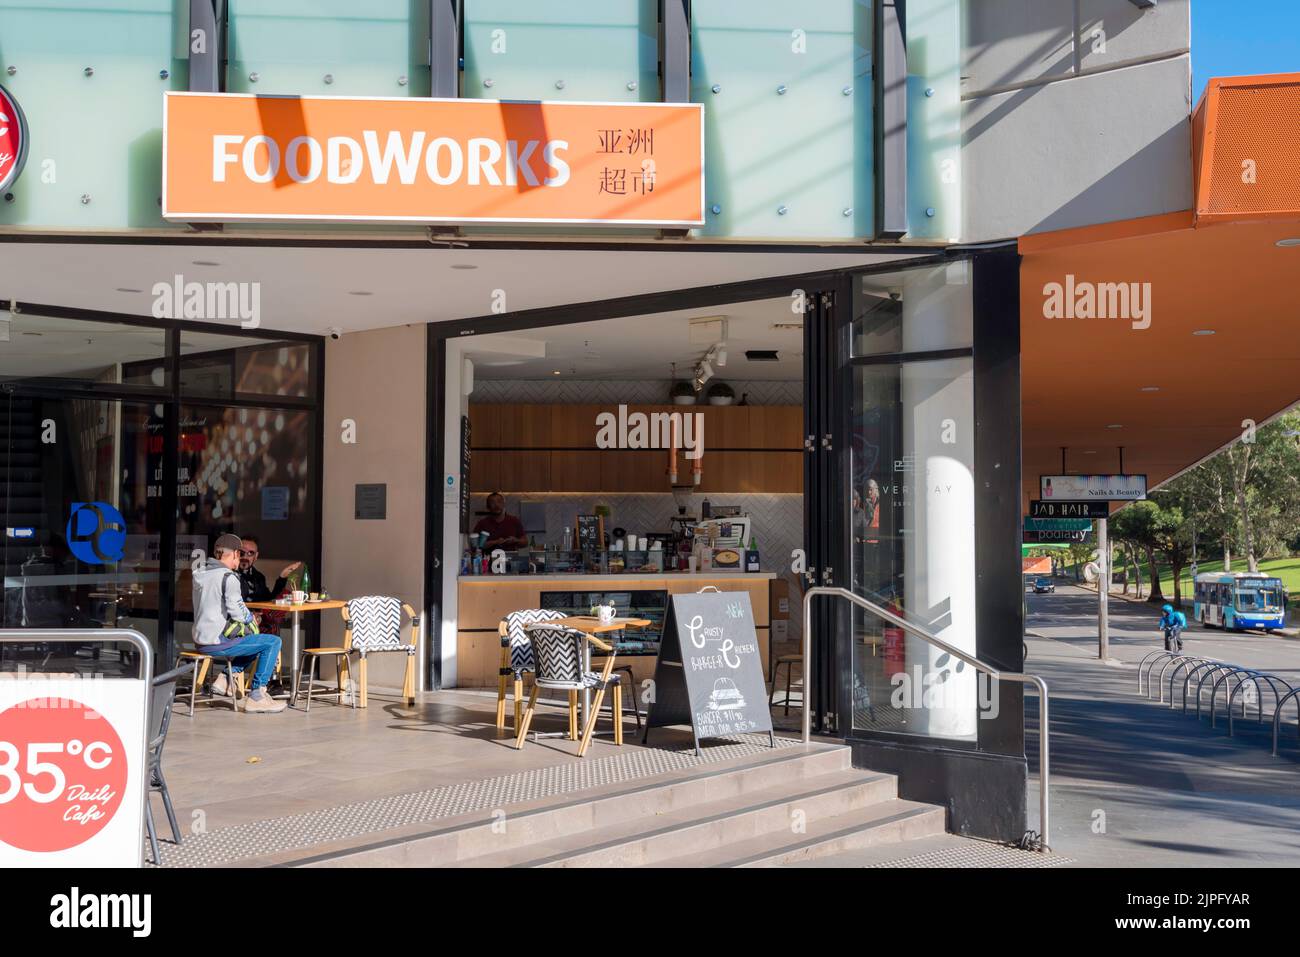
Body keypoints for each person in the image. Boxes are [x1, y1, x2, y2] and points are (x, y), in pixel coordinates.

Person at [191, 533, 287, 713]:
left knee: (255, 641)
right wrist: (251, 619)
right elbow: (238, 613)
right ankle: (257, 694)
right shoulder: (228, 577)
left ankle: (225, 677)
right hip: (217, 641)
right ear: (234, 554)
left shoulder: (202, 573)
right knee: (272, 642)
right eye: (240, 554)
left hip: (200, 640)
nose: (241, 558)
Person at [237, 535, 302, 604]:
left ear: (255, 556)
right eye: (242, 552)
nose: (245, 557)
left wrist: (282, 577)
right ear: (236, 553)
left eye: (251, 553)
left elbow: (269, 600)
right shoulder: (228, 575)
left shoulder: (259, 577)